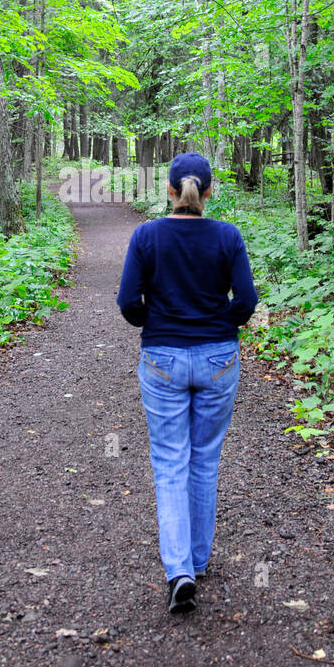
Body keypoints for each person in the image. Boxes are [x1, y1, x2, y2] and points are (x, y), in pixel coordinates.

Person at [116, 152, 258, 614]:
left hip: (162, 358)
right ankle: (196, 562)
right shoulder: (227, 235)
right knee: (204, 460)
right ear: (209, 192)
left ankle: (179, 570)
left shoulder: (147, 235)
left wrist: (154, 322)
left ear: (171, 191)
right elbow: (247, 301)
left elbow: (127, 302)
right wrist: (222, 325)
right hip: (218, 357)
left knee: (170, 461)